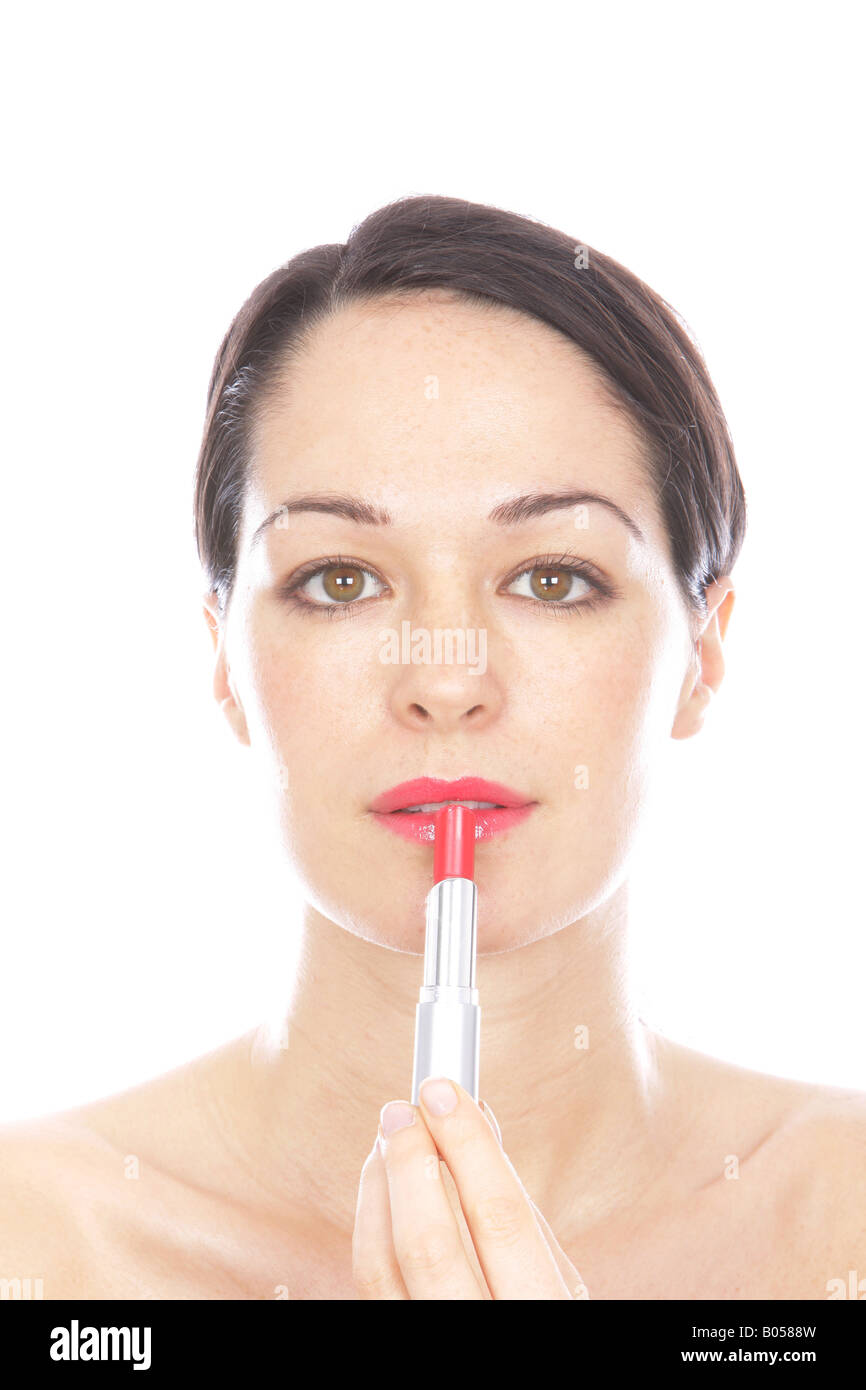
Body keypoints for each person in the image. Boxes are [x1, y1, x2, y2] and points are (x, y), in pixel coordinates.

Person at [2, 196, 863, 1300]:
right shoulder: (34, 1248)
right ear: (225, 659)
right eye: (339, 580)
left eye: (552, 577)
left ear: (702, 650)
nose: (446, 678)